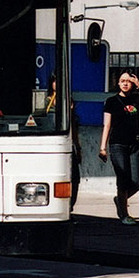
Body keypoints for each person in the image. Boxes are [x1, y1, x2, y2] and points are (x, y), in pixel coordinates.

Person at [99, 70, 139, 225]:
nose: (125, 83)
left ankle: (120, 199)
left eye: (128, 81)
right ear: (118, 83)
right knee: (122, 180)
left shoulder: (136, 98)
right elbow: (107, 125)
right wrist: (102, 147)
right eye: (122, 80)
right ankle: (124, 214)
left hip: (134, 145)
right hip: (117, 145)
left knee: (137, 181)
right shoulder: (111, 101)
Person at [46, 73, 82, 212]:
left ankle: (70, 206)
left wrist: (78, 148)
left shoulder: (69, 101)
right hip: (51, 143)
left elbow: (73, 126)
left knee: (75, 177)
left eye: (59, 81)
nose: (57, 84)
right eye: (55, 81)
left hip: (68, 143)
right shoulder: (46, 101)